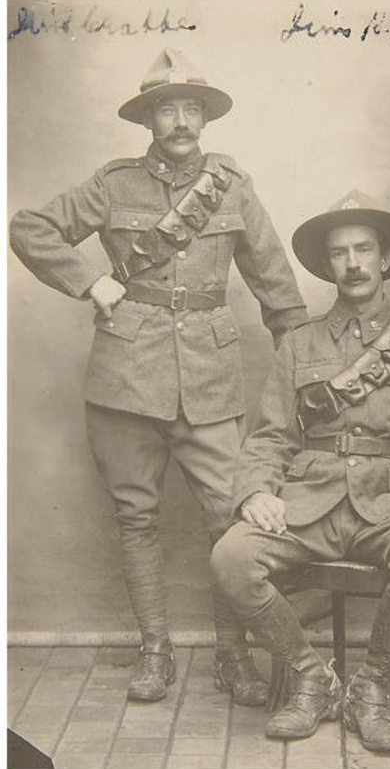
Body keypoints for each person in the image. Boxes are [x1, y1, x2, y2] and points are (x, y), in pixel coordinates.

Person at [10, 48, 307, 704]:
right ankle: (154, 653)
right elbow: (29, 228)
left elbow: (276, 285)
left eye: (190, 108)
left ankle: (232, 659)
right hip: (124, 379)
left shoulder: (233, 186)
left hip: (209, 379)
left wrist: (305, 370)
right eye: (166, 108)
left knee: (231, 523)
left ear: (204, 117)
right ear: (148, 119)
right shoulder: (115, 184)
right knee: (136, 516)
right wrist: (90, 281)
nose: (180, 119)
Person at [210, 191, 390, 748]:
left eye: (363, 250)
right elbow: (269, 436)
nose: (352, 263)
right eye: (339, 253)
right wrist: (257, 490)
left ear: (385, 260)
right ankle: (313, 678)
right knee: (232, 555)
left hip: (387, 504)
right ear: (327, 266)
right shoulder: (299, 343)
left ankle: (370, 686)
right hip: (312, 503)